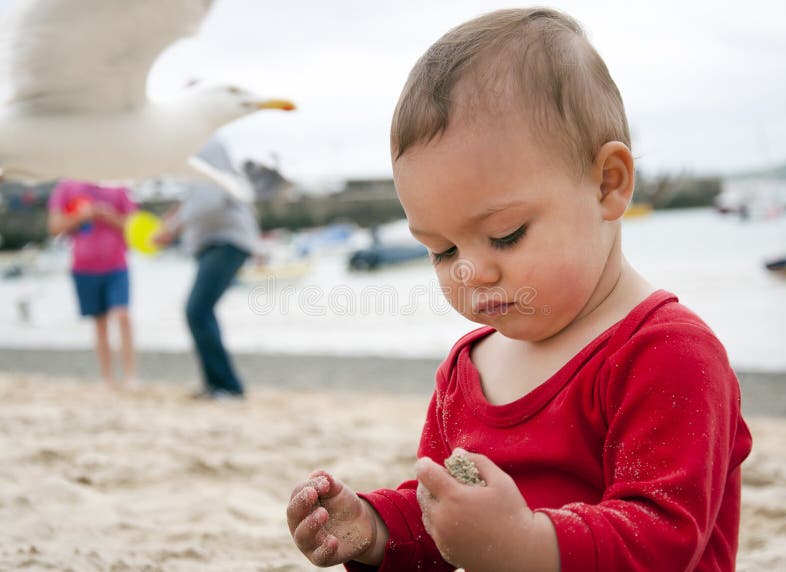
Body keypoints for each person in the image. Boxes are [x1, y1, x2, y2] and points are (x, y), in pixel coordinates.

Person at [287, 8, 753, 572]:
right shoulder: (468, 369)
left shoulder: (668, 354)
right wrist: (375, 527)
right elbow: (444, 517)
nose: (469, 272)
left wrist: (522, 543)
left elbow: (662, 537)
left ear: (607, 184)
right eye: (442, 249)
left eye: (504, 235)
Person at [152, 137, 260, 400]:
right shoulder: (196, 148)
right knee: (199, 311)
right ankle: (216, 385)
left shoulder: (207, 145)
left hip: (227, 240)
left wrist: (173, 226)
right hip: (213, 242)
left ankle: (228, 386)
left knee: (196, 310)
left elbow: (211, 197)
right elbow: (198, 196)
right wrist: (175, 216)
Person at [47, 179, 138, 389]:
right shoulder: (66, 187)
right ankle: (107, 378)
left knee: (122, 316)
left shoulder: (119, 185)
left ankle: (131, 376)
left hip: (116, 264)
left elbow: (134, 226)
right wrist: (82, 215)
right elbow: (54, 227)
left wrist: (108, 215)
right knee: (100, 323)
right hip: (83, 265)